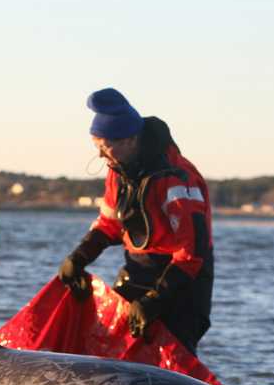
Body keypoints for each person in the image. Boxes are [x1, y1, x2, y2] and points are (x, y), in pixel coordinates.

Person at [58, 88, 213, 353]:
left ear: (130, 140)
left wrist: (155, 299)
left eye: (104, 147)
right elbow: (109, 224)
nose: (100, 155)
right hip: (139, 268)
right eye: (96, 147)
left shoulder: (176, 177)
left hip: (183, 279)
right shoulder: (117, 172)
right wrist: (79, 257)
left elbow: (192, 251)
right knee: (113, 346)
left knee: (173, 358)